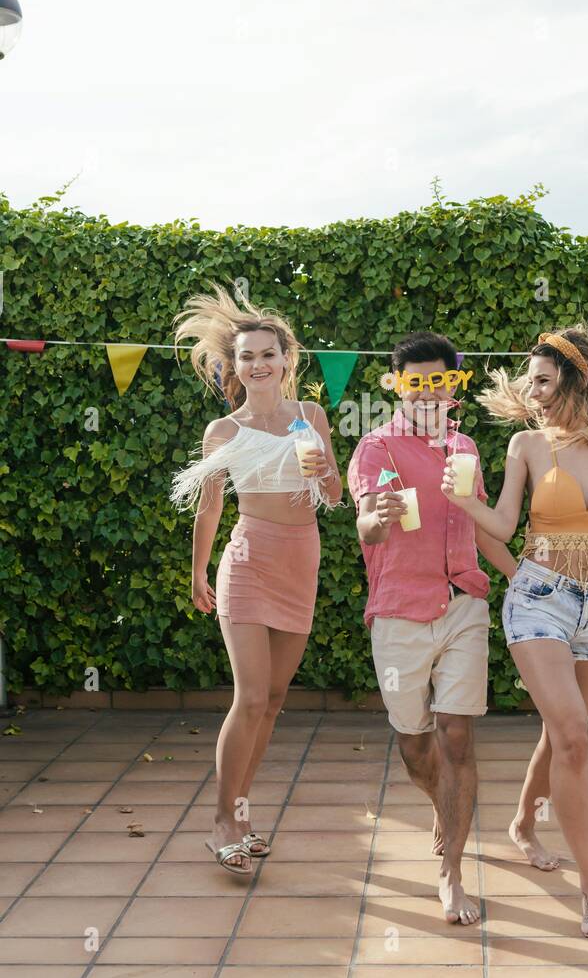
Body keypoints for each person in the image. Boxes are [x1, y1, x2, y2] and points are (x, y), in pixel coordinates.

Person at [441, 225, 588, 942]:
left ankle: (521, 821)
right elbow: (502, 525)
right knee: (575, 738)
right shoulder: (524, 445)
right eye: (529, 381)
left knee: (562, 733)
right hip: (539, 599)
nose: (531, 391)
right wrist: (457, 501)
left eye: (542, 379)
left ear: (573, 379)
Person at [169, 282, 343, 877]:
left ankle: (243, 813)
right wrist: (197, 570)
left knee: (272, 701)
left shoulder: (311, 417)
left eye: (269, 354)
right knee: (248, 696)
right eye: (248, 356)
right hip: (246, 561)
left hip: (302, 559)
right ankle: (221, 820)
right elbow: (210, 508)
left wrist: (321, 471)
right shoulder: (223, 430)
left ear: (287, 359)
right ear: (234, 365)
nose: (259, 364)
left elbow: (335, 496)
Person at [347, 332, 519, 925]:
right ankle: (448, 809)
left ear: (453, 383)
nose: (427, 389)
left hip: (463, 604)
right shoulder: (376, 448)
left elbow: (484, 526)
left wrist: (524, 581)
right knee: (415, 742)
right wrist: (380, 515)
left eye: (438, 379)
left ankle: (452, 871)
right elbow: (366, 527)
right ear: (397, 384)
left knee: (457, 737)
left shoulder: (465, 444)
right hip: (397, 612)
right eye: (414, 380)